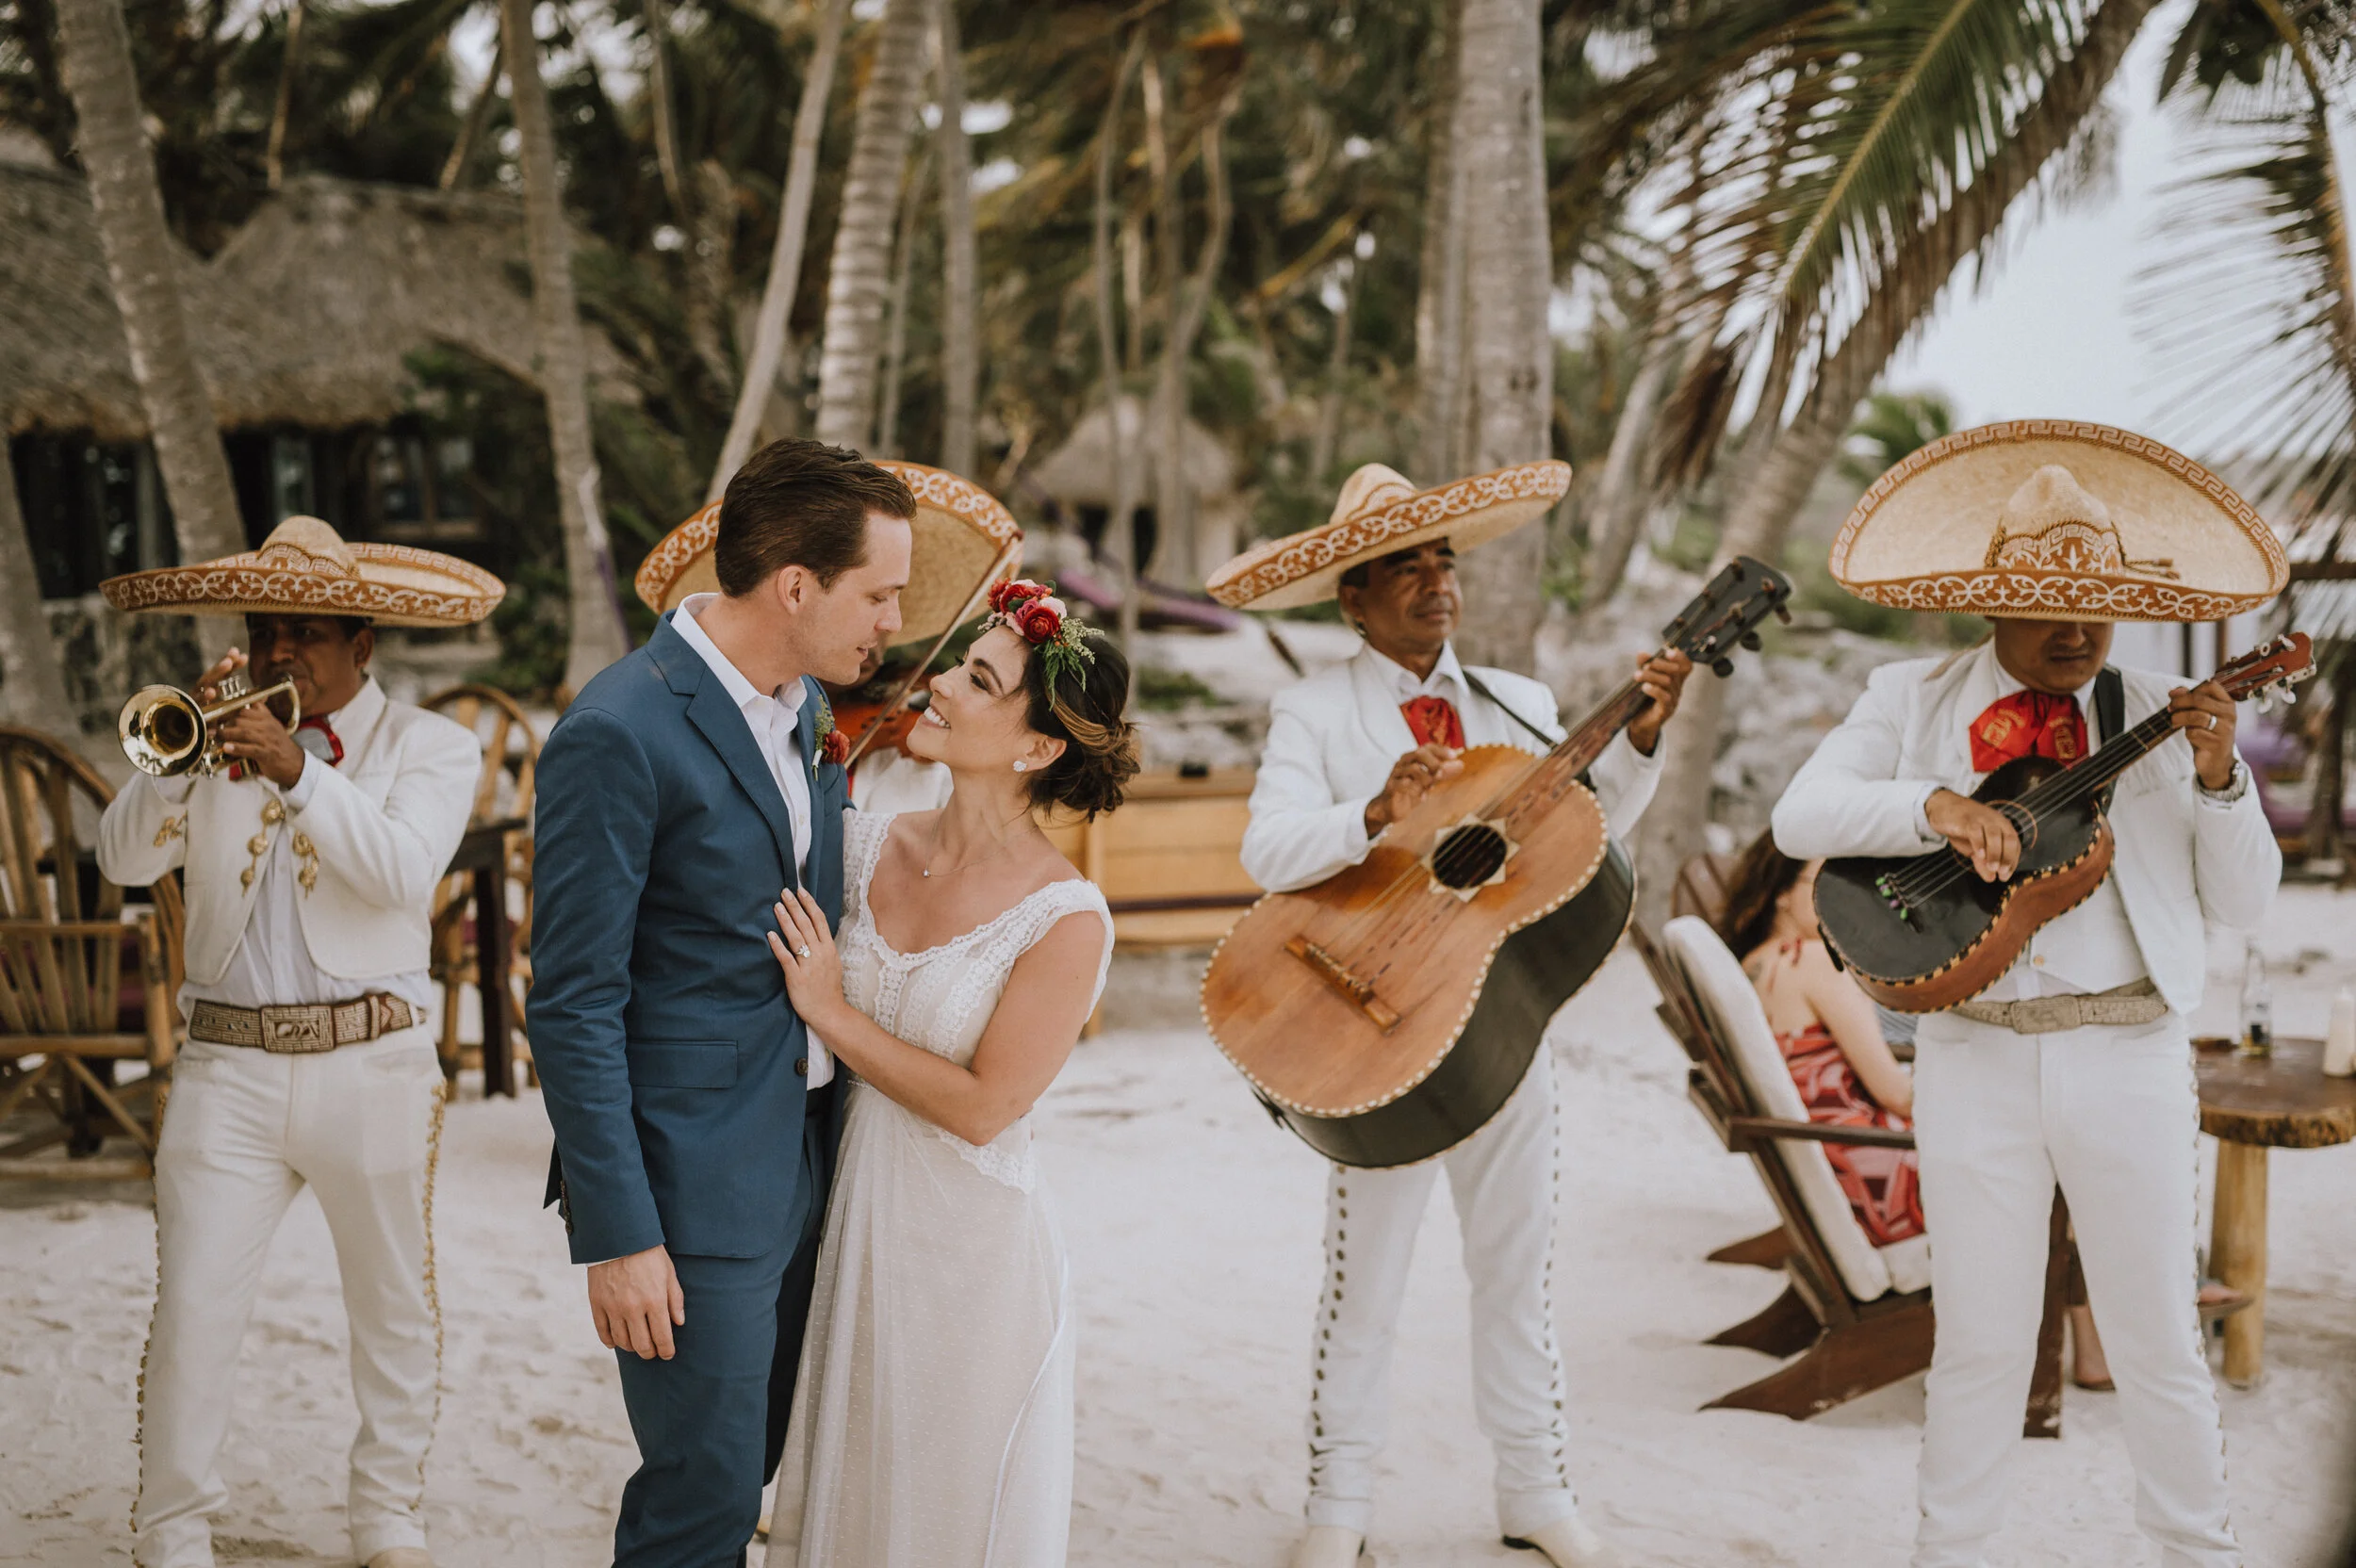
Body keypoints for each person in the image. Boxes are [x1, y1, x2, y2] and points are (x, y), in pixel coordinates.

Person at [1771, 425, 2286, 1568]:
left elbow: (2246, 902)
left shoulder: (2165, 707)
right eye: (2049, 604)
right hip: (1973, 1051)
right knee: (1981, 1343)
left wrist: (2218, 778)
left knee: (2157, 1338)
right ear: (1988, 601)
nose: (2076, 629)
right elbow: (1798, 817)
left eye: (2096, 604)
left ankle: (2197, 1553)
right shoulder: (1909, 695)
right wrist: (1933, 807)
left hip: (2129, 1052)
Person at [1204, 462, 1694, 1568]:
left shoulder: (1521, 702)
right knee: (1361, 1282)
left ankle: (1537, 1491)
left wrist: (1646, 741)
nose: (1434, 583)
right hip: (1374, 1029)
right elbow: (1267, 849)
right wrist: (1373, 809)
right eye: (1403, 567)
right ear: (1352, 598)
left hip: (1500, 1025)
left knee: (1517, 1275)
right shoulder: (1313, 708)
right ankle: (1337, 1507)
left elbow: (1588, 837)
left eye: (1443, 561)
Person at [531, 438, 912, 1567]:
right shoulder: (618, 730)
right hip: (686, 1186)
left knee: (750, 1468)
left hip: (807, 1156)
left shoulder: (801, 709)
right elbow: (572, 1001)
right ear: (795, 586)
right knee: (698, 1503)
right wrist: (621, 1234)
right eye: (879, 592)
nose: (894, 617)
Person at [93, 516, 500, 1568]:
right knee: (191, 1302)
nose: (279, 650)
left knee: (392, 1307)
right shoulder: (221, 733)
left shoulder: (432, 744)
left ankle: (385, 1519)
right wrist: (177, 763)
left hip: (373, 1061)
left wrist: (299, 773)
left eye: (306, 631)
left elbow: (406, 872)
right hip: (224, 1065)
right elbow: (123, 861)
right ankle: (170, 1527)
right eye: (265, 627)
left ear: (362, 645)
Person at [763, 580, 1135, 1567]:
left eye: (978, 678)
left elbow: (985, 1107)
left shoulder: (1066, 916)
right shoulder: (867, 838)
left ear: (1038, 747)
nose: (940, 686)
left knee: (935, 1521)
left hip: (967, 1257)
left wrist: (831, 1012)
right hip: (844, 1218)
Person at [1714, 832, 1923, 1245]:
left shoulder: (1755, 963)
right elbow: (1897, 1097)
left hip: (1839, 1174)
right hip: (1882, 1184)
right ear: (1782, 894)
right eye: (1825, 883)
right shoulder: (1813, 962)